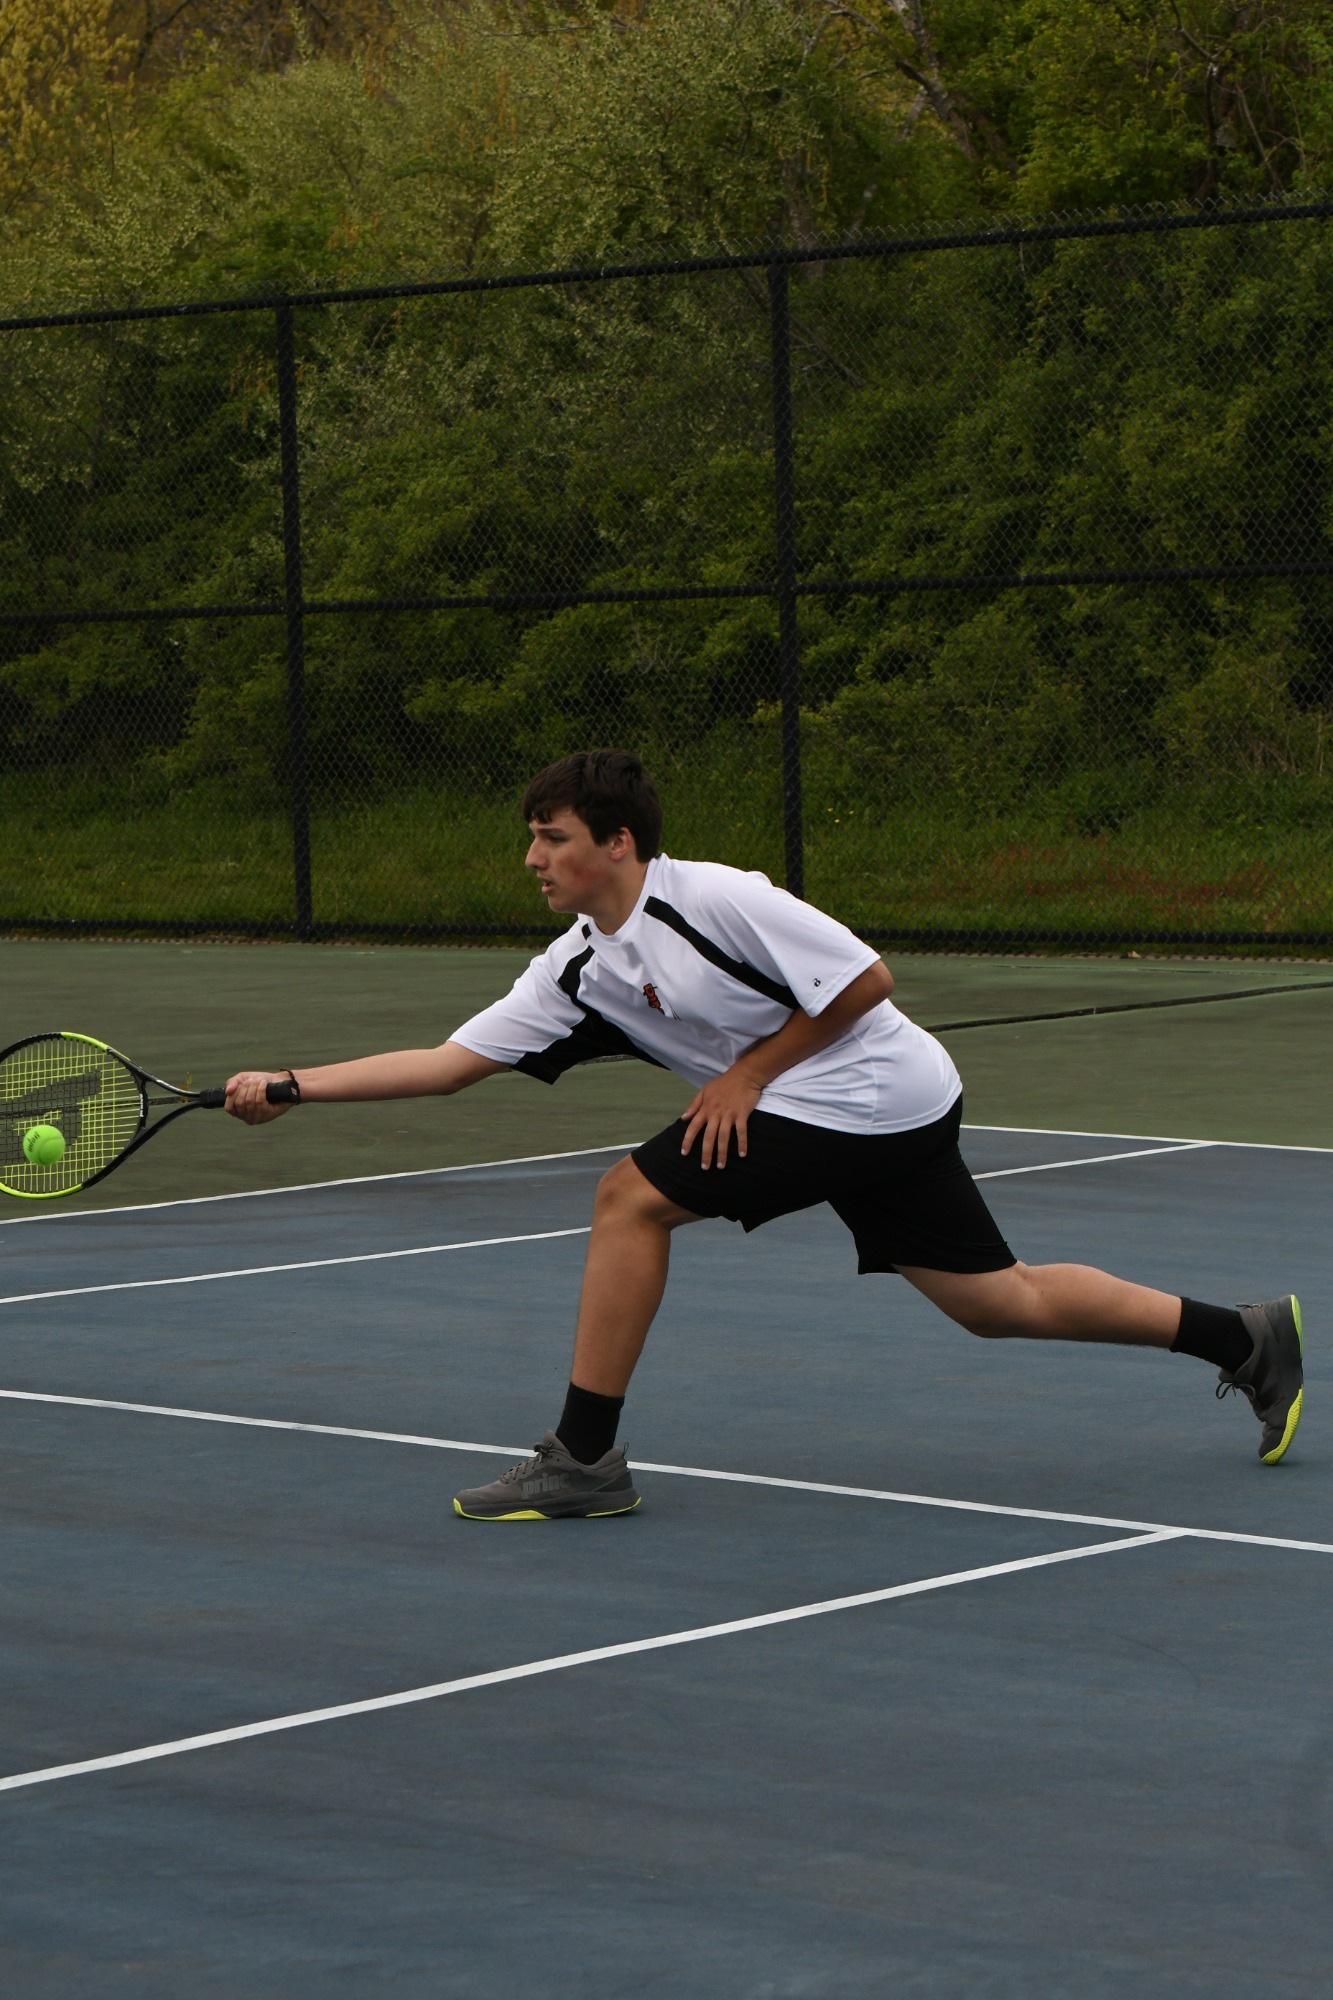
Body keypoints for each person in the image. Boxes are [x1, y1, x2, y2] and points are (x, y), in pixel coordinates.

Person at [226, 748, 1304, 1517]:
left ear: (618, 841)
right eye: (533, 838)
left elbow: (867, 977)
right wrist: (294, 1084)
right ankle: (1243, 1335)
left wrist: (747, 1072)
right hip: (871, 1108)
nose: (532, 859)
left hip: (873, 1088)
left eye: (551, 839)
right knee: (993, 1300)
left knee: (627, 1196)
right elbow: (454, 1064)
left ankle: (584, 1456)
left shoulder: (721, 899)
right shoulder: (575, 964)